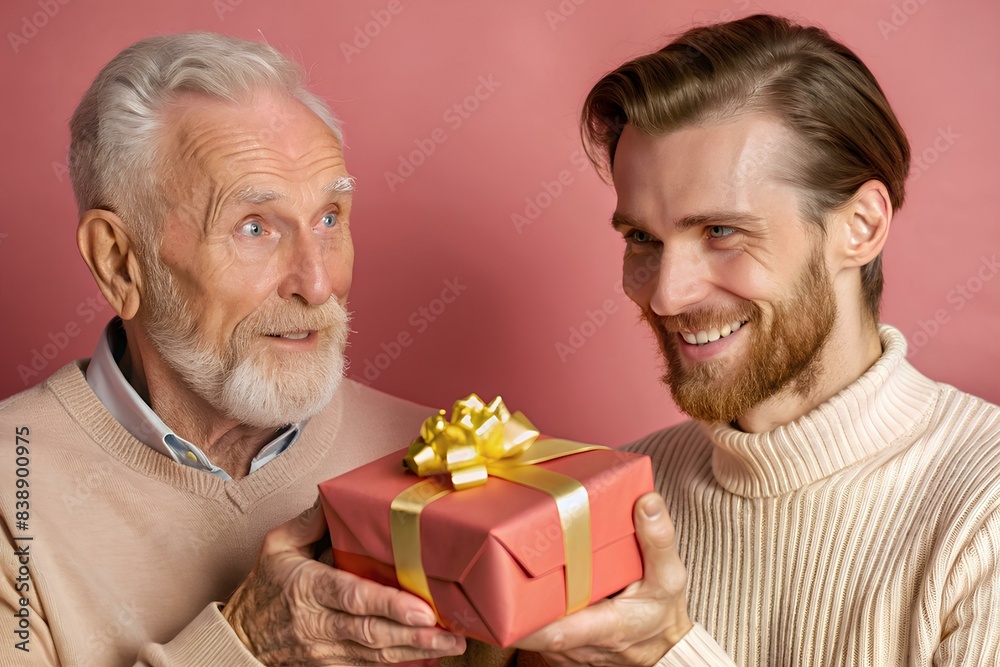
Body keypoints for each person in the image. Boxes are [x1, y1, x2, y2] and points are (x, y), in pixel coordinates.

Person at [0, 31, 689, 667]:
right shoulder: (14, 490)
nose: (319, 281)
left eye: (329, 218)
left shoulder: (451, 456)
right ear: (119, 262)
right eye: (254, 227)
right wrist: (246, 645)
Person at [521, 12, 1000, 666]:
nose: (666, 295)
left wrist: (667, 653)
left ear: (860, 226)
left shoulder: (984, 512)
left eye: (720, 232)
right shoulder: (615, 499)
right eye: (642, 238)